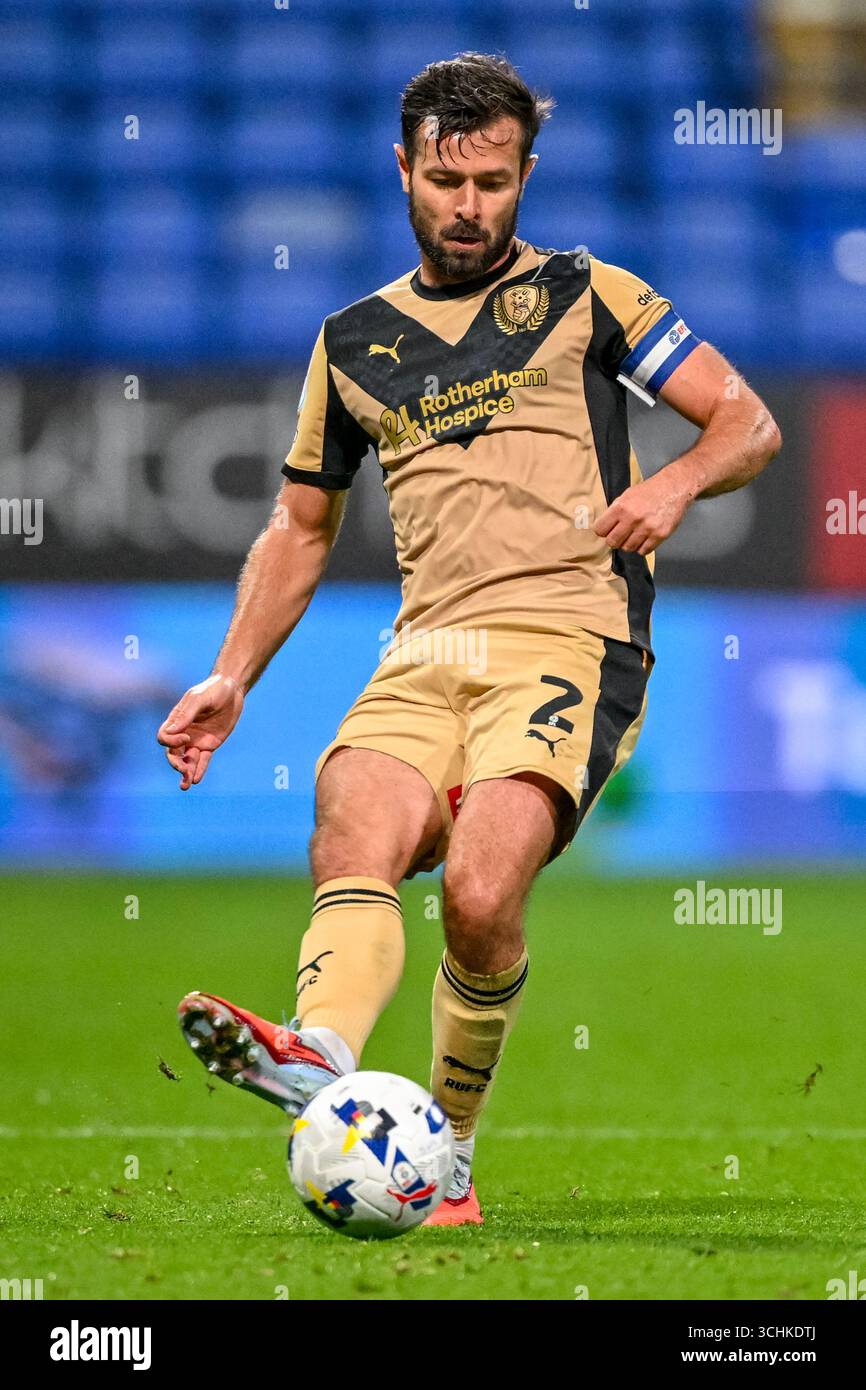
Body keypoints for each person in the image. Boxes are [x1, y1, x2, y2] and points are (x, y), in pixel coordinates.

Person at [157, 53, 781, 1227]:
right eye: (446, 180)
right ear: (403, 170)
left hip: (572, 636)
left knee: (484, 895)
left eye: (493, 182)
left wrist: (678, 484)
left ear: (524, 173)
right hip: (426, 646)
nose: (468, 205)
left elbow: (744, 421)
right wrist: (231, 675)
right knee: (352, 807)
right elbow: (299, 524)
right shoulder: (352, 342)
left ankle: (446, 1153)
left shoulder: (587, 293)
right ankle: (317, 1053)